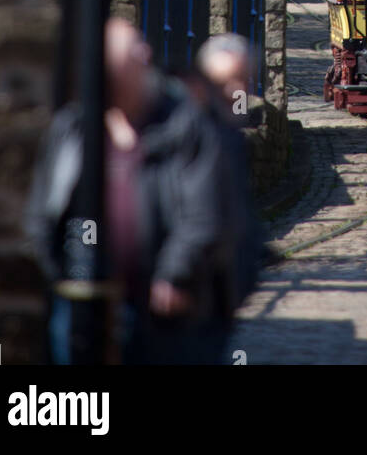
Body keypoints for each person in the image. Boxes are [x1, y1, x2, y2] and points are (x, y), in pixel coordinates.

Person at [26, 18, 233, 365]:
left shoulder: (183, 126)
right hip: (81, 297)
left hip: (159, 301)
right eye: (134, 57)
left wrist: (174, 274)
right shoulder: (73, 128)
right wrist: (58, 272)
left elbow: (203, 211)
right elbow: (42, 210)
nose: (147, 55)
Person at [189, 36, 265, 316]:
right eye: (223, 83)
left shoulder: (231, 136)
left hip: (224, 292)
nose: (235, 92)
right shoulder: (186, 137)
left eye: (242, 81)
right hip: (187, 287)